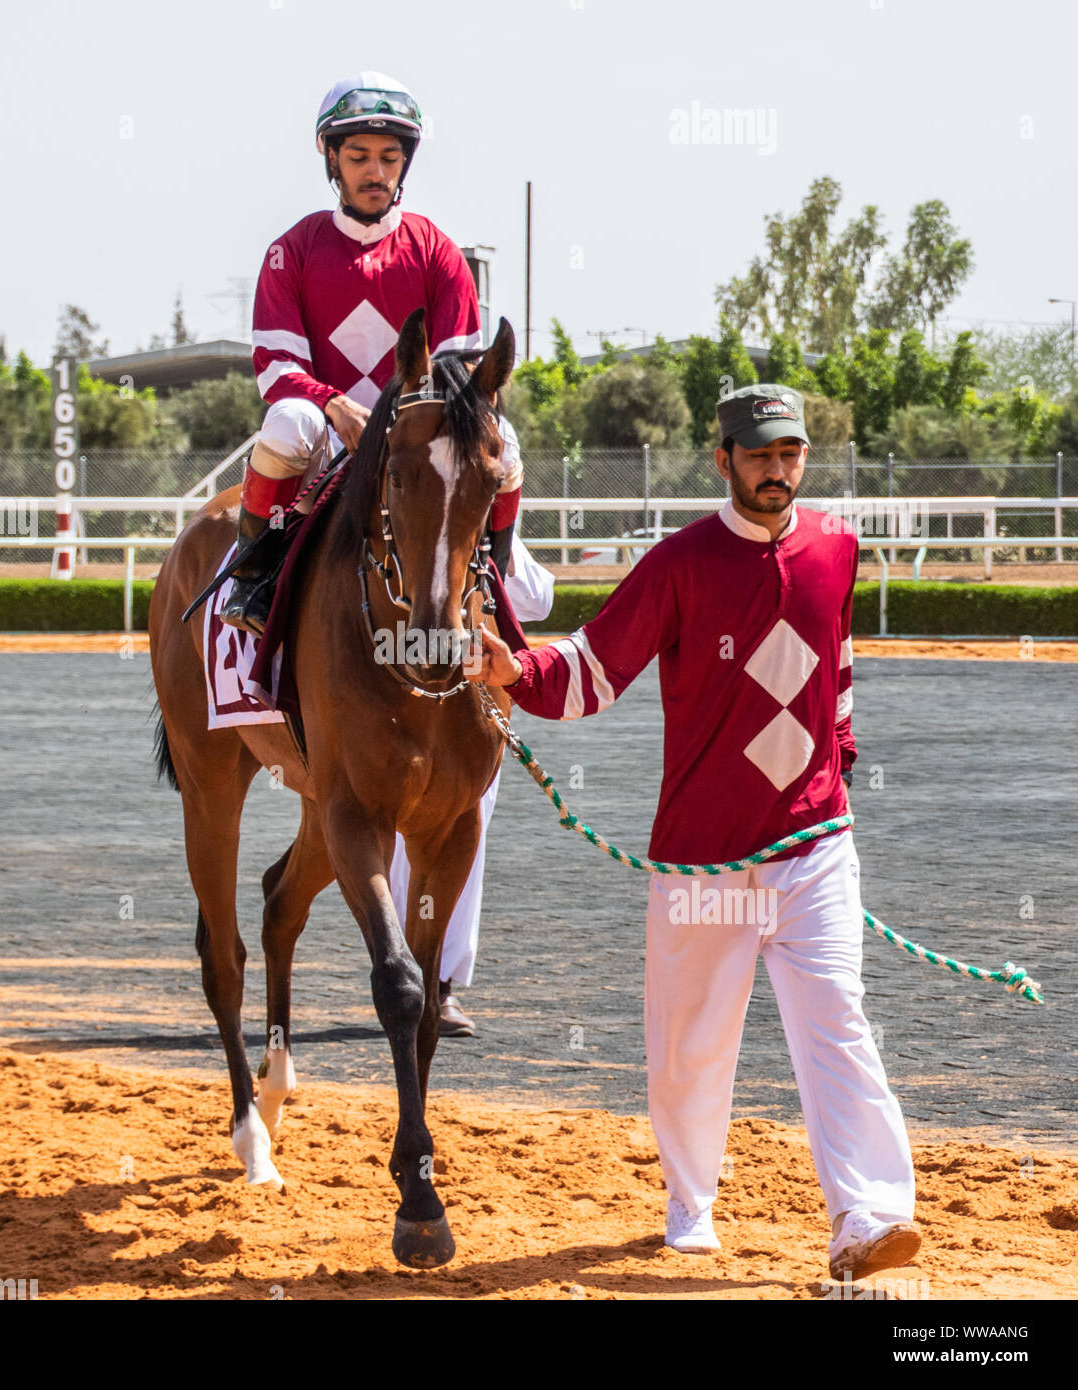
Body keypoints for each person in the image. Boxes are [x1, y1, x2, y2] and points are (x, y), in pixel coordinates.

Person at [467, 384, 921, 1284]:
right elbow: (596, 665)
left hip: (816, 845)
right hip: (702, 861)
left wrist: (840, 760)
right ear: (723, 460)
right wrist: (517, 672)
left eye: (790, 453)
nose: (777, 470)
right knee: (690, 1045)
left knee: (838, 1020)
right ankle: (691, 1201)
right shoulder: (678, 563)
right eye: (759, 455)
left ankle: (867, 1214)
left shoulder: (838, 547)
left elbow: (837, 671)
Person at [223, 71, 522, 635]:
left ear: (405, 164)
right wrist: (336, 405)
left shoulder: (437, 252)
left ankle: (493, 586)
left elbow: (461, 377)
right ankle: (254, 577)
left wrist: (411, 421)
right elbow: (278, 368)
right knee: (286, 422)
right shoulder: (292, 251)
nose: (376, 172)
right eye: (359, 156)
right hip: (326, 436)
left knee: (504, 444)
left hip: (420, 439)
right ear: (332, 160)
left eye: (389, 157)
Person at [387, 531, 555, 1036]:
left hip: (469, 718)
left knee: (462, 846)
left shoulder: (481, 523)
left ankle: (438, 984)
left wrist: (499, 545)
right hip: (384, 702)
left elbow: (539, 601)